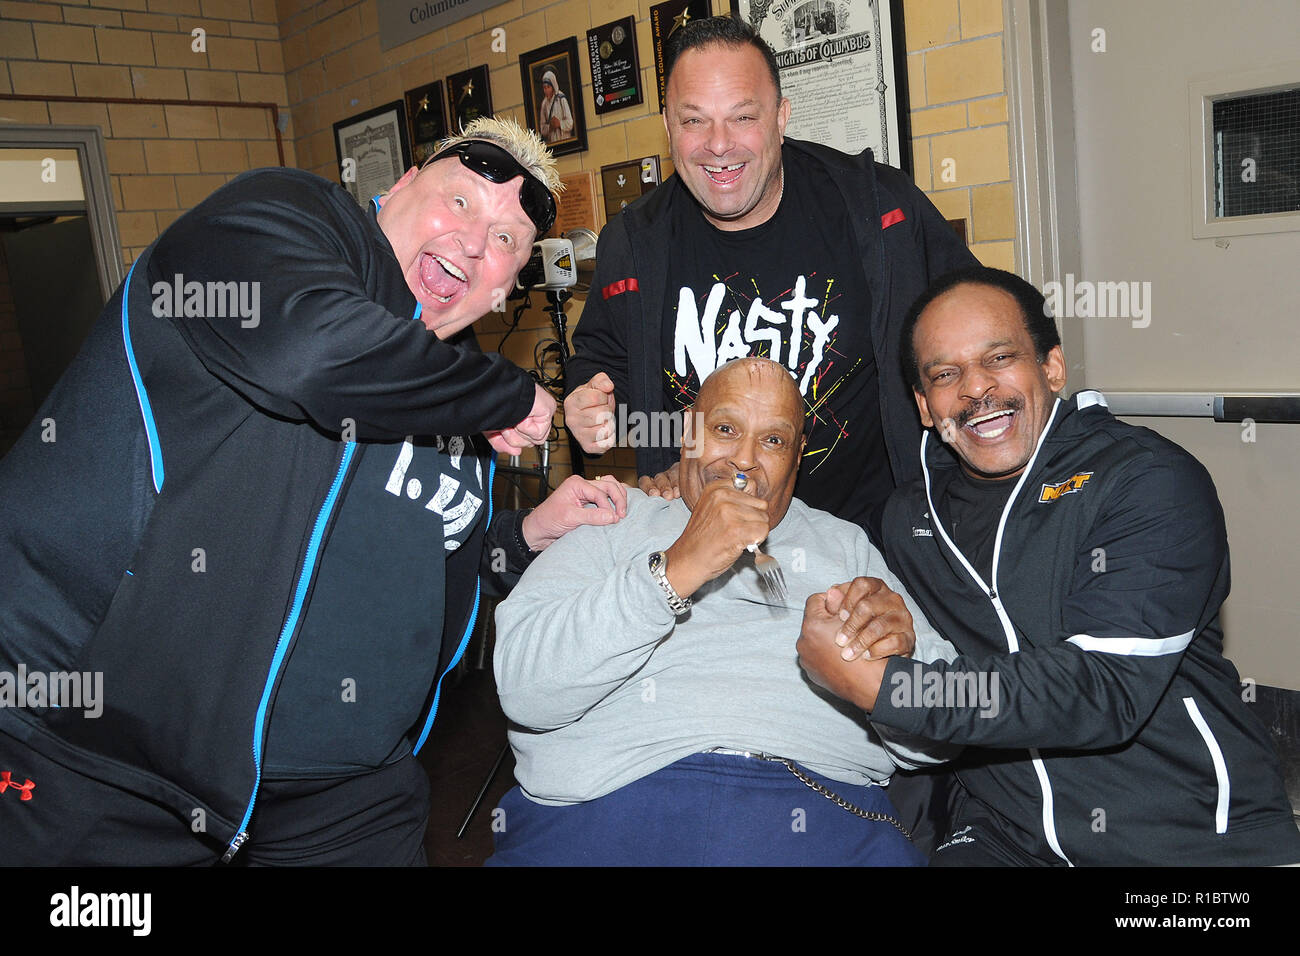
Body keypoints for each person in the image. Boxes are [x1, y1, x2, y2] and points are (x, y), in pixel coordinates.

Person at [0, 117, 630, 865]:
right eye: (459, 203)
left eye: (505, 243)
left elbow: (415, 560)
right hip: (112, 768)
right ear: (394, 190)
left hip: (353, 797)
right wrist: (502, 393)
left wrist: (522, 538)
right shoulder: (281, 220)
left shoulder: (452, 378)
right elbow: (310, 353)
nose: (472, 244)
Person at [796, 266, 1300, 866]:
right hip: (1004, 838)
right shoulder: (907, 519)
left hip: (1188, 838)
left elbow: (1101, 688)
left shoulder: (1147, 480)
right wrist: (689, 487)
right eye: (945, 374)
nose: (976, 390)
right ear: (924, 406)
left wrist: (897, 688)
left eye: (999, 358)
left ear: (1052, 367)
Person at [489, 357, 957, 866]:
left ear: (799, 454)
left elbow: (946, 727)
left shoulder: (844, 545)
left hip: (821, 815)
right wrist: (671, 572)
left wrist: (896, 671)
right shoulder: (611, 516)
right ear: (688, 432)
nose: (744, 460)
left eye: (774, 440)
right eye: (726, 428)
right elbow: (524, 689)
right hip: (605, 807)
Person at [563, 14, 976, 545]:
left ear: (780, 116)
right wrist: (597, 410)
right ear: (668, 127)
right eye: (693, 121)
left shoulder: (878, 209)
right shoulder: (633, 242)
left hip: (871, 544)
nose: (718, 145)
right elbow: (605, 371)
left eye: (742, 117)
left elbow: (975, 328)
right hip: (706, 551)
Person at [537, 69, 575, 145]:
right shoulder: (544, 104)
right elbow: (542, 129)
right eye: (544, 87)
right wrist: (550, 127)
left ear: (553, 86)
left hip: (565, 139)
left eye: (548, 87)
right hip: (552, 142)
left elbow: (570, 123)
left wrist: (559, 123)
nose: (546, 90)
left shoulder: (561, 99)